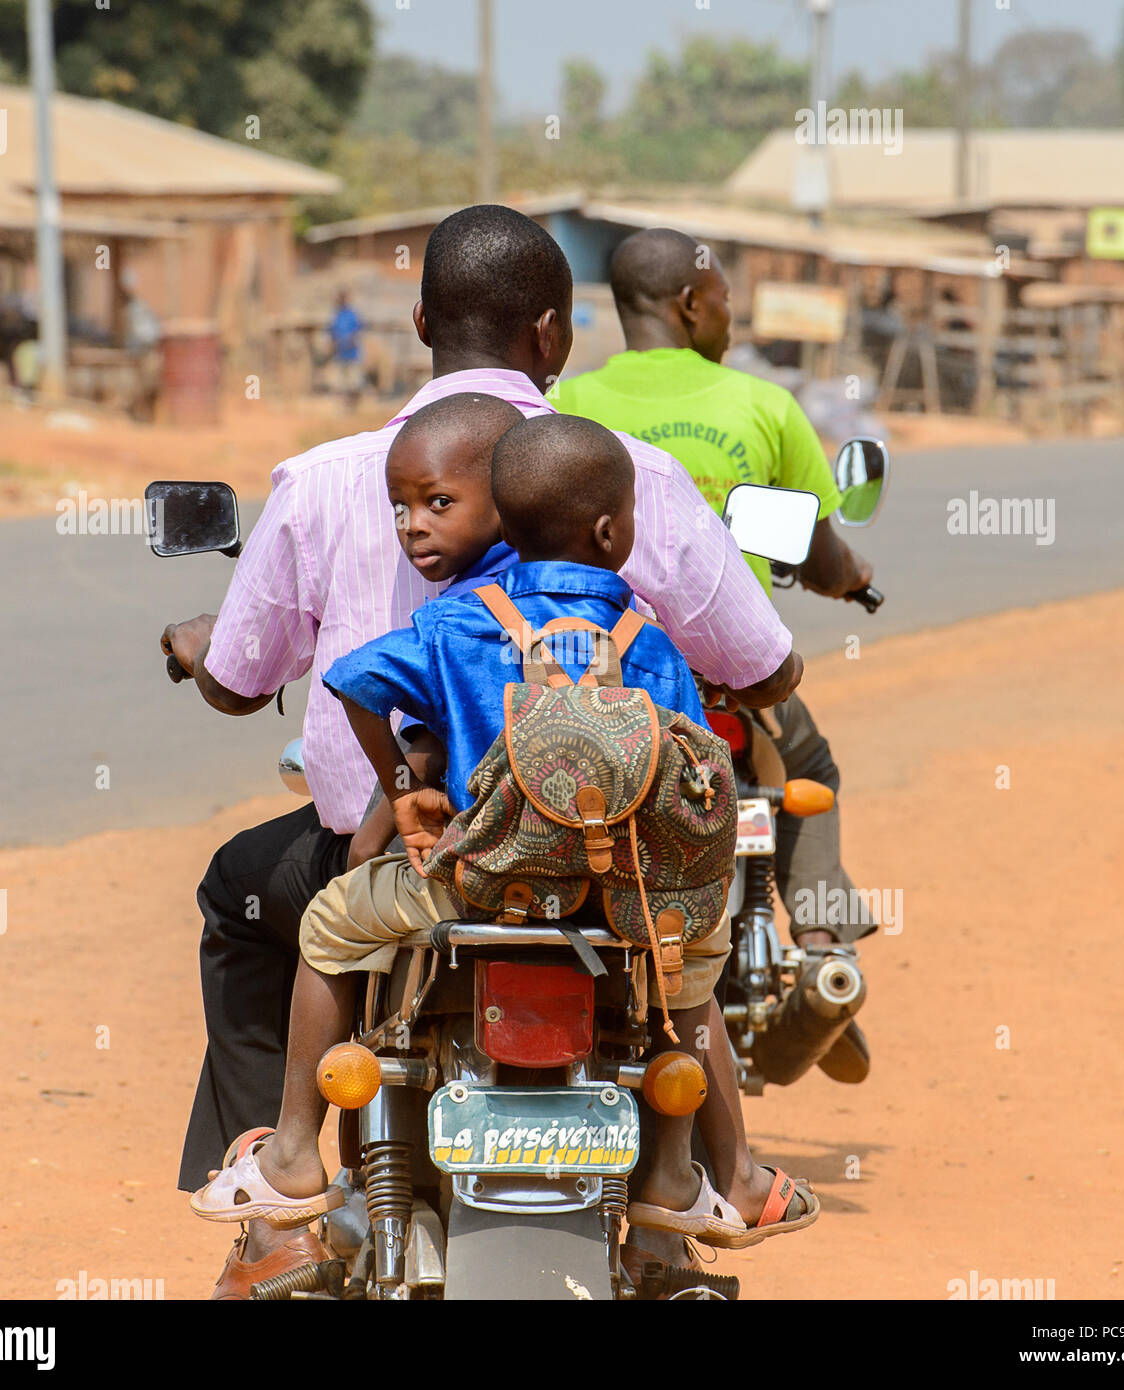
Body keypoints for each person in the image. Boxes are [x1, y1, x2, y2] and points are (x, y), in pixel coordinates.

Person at [160, 205, 802, 1298]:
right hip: (619, 881)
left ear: (417, 321)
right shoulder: (625, 481)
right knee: (682, 979)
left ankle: (281, 1188)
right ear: (551, 337)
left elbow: (240, 681)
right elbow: (760, 666)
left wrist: (381, 781)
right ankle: (686, 1195)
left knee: (243, 898)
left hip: (425, 857)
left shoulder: (328, 482)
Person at [554, 228, 878, 987]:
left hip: (595, 680)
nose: (733, 322)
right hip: (723, 680)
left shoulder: (567, 402)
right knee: (810, 760)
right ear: (693, 304)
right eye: (728, 303)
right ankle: (827, 941)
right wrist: (853, 576)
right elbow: (820, 556)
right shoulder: (764, 405)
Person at [328, 292, 364, 408]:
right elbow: (331, 332)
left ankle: (353, 406)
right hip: (339, 354)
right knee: (340, 383)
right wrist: (334, 344)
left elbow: (357, 329)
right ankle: (342, 407)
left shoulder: (351, 315)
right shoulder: (336, 315)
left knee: (354, 383)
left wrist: (350, 340)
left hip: (352, 353)